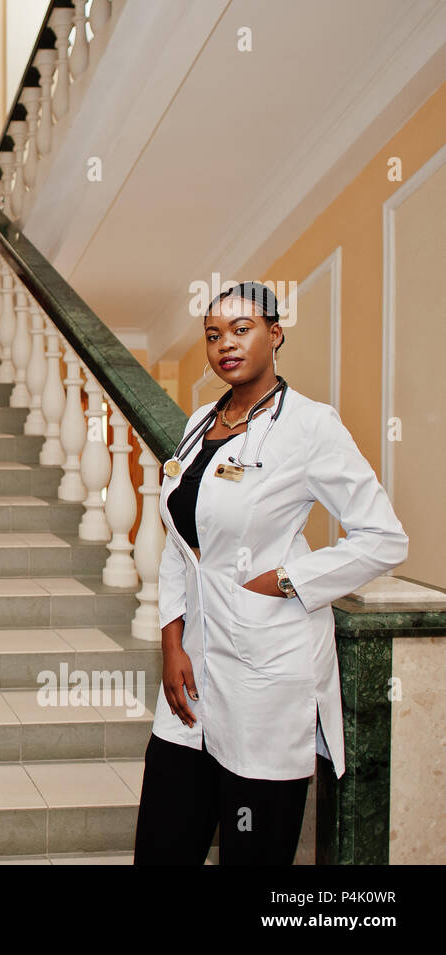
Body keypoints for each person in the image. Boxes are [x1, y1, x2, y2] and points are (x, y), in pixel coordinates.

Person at [133, 283, 408, 865]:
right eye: (212, 334)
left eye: (241, 329)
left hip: (268, 672)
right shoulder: (202, 420)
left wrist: (291, 578)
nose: (225, 344)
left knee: (253, 849)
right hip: (194, 670)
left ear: (275, 334)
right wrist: (171, 638)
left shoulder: (310, 427)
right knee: (162, 842)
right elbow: (184, 545)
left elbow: (384, 537)